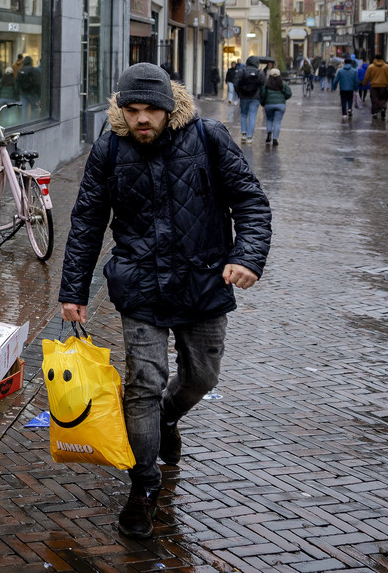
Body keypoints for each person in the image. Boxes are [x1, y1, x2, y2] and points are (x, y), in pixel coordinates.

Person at [58, 63, 271, 539]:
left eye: (151, 110)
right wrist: (73, 290)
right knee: (141, 385)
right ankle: (143, 486)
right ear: (120, 109)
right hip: (140, 286)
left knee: (201, 377)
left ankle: (168, 417)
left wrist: (247, 258)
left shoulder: (209, 137)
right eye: (132, 111)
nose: (142, 120)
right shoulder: (110, 147)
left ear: (169, 105)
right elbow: (88, 219)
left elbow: (251, 202)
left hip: (204, 283)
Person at [233, 56, 263, 143]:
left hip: (244, 97)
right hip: (255, 98)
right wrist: (261, 97)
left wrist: (239, 94)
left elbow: (236, 83)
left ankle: (243, 134)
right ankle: (250, 137)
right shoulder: (259, 72)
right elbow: (263, 85)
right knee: (252, 116)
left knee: (243, 115)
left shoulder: (242, 71)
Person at [259, 68, 291, 145]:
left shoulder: (267, 84)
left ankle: (269, 133)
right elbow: (289, 93)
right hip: (280, 105)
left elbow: (263, 94)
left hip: (269, 104)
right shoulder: (283, 84)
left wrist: (263, 103)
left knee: (269, 120)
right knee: (277, 122)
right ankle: (275, 138)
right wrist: (283, 99)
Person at [364, 54, 388, 119]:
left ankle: (375, 113)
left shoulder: (371, 67)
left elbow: (367, 77)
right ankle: (383, 108)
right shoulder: (387, 67)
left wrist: (364, 84)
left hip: (374, 86)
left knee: (374, 99)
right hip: (383, 86)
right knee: (383, 98)